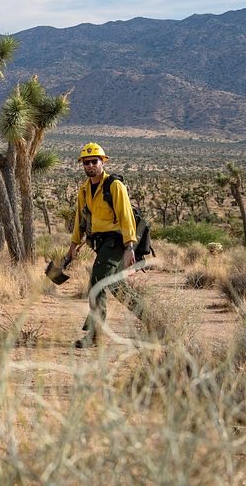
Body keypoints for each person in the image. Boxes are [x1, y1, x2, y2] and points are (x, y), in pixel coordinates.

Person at [68, 142, 146, 348]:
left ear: (103, 162)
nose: (90, 165)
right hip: (100, 243)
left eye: (94, 161)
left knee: (96, 284)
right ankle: (154, 321)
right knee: (116, 286)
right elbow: (80, 219)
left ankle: (94, 336)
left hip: (117, 242)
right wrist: (74, 243)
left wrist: (130, 246)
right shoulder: (84, 190)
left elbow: (126, 215)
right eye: (86, 162)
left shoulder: (114, 186)